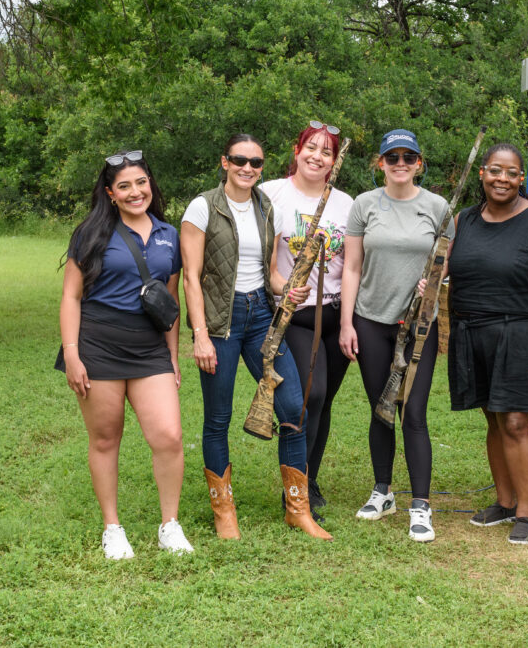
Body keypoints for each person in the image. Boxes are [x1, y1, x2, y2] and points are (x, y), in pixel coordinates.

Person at [181, 134, 330, 541]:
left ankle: (297, 508)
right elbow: (191, 278)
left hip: (261, 316)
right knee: (218, 419)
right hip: (220, 324)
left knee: (293, 409)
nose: (248, 168)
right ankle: (224, 511)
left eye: (256, 162)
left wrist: (288, 290)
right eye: (240, 160)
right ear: (224, 162)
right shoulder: (202, 207)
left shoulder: (267, 208)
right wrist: (200, 335)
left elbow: (271, 273)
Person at [57, 150, 194, 559]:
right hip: (98, 344)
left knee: (169, 436)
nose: (136, 192)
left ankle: (169, 525)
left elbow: (169, 301)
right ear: (110, 194)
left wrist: (172, 356)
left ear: (151, 184)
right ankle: (112, 528)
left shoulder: (169, 234)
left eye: (141, 182)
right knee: (105, 438)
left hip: (149, 347)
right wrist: (72, 354)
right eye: (125, 186)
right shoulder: (92, 233)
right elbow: (70, 296)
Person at [448, 143, 528, 545]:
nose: (502, 179)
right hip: (472, 333)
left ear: (522, 178)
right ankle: (503, 503)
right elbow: (444, 270)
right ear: (482, 173)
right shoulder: (463, 220)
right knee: (492, 417)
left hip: (522, 334)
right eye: (495, 171)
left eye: (511, 173)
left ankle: (526, 513)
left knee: (516, 421)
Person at [339, 128, 449, 542]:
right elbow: (351, 267)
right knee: (381, 409)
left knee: (413, 413)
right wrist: (347, 322)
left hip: (419, 327)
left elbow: (442, 267)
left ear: (419, 163)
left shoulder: (439, 209)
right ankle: (382, 491)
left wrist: (432, 287)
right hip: (370, 320)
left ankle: (420, 505)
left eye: (408, 157)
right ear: (380, 164)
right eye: (392, 157)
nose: (400, 164)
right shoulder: (364, 205)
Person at [260, 121, 352, 522]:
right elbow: (260, 261)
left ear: (335, 160)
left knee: (325, 399)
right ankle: (294, 485)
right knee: (307, 399)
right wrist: (282, 288)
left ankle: (308, 479)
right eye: (311, 148)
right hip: (294, 315)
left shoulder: (346, 203)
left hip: (334, 312)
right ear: (296, 151)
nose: (317, 156)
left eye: (326, 151)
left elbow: (352, 264)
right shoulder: (271, 195)